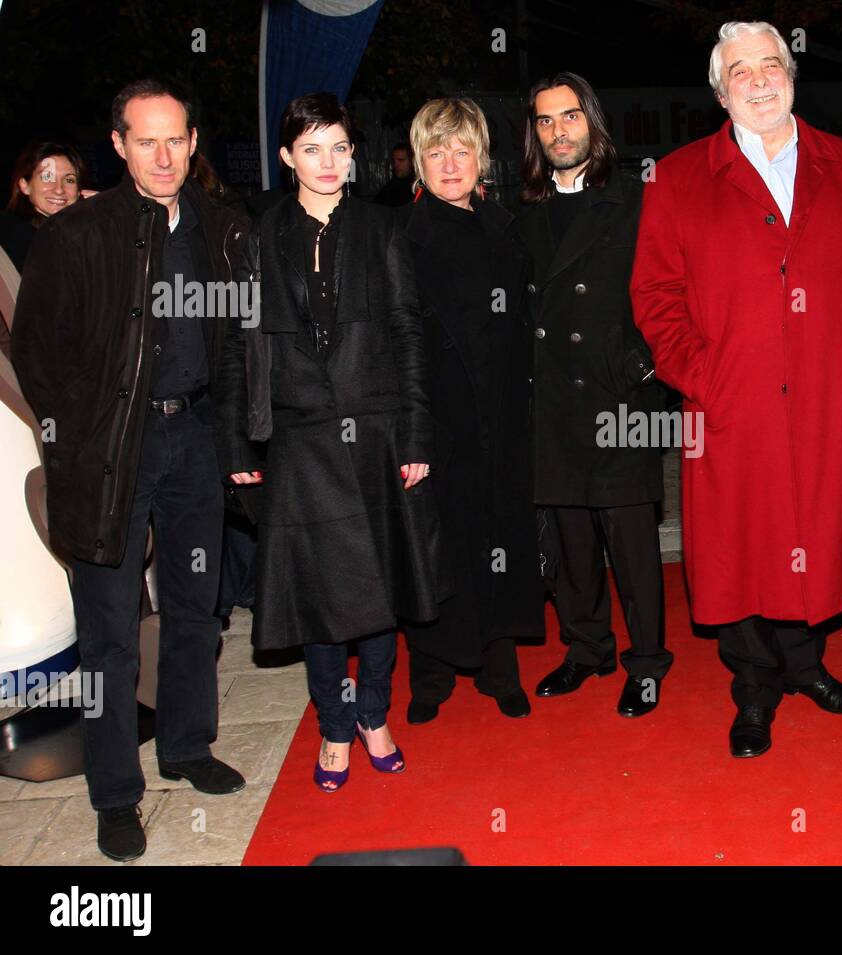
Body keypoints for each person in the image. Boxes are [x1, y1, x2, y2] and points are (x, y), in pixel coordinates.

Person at [631, 21, 842, 757]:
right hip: (732, 400)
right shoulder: (680, 176)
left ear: (791, 75)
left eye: (771, 65)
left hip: (827, 396)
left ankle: (809, 668)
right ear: (721, 93)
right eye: (741, 71)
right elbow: (654, 294)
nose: (759, 80)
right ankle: (753, 688)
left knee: (813, 532)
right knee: (742, 543)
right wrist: (701, 373)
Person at [11, 80, 249, 861]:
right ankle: (116, 792)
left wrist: (233, 441)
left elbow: (237, 345)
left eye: (175, 138)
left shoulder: (219, 228)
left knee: (193, 612)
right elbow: (40, 358)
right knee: (108, 634)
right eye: (145, 140)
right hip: (112, 455)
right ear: (117, 145)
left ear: (192, 141)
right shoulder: (77, 234)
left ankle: (185, 746)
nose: (163, 155)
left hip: (196, 444)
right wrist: (87, 438)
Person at [216, 92, 444, 791]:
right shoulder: (257, 236)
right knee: (318, 598)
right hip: (299, 438)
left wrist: (415, 433)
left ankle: (374, 711)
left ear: (354, 154)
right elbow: (240, 346)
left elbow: (408, 333)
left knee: (378, 589)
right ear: (286, 158)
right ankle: (335, 724)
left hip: (375, 431)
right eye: (311, 148)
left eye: (339, 147)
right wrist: (238, 449)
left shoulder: (384, 229)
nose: (327, 161)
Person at [516, 72, 673, 717]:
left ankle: (647, 662)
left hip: (623, 399)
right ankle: (587, 649)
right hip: (552, 401)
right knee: (572, 540)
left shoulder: (639, 200)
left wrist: (648, 374)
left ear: (594, 122)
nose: (559, 131)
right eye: (547, 121)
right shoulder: (521, 213)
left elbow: (671, 294)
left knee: (632, 542)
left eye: (571, 117)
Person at [399, 97, 543, 722]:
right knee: (438, 547)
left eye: (462, 151)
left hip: (503, 419)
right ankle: (430, 674)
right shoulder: (400, 238)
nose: (450, 163)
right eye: (437, 151)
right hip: (437, 422)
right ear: (418, 161)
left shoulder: (503, 229)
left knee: (501, 537)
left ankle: (498, 666)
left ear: (481, 158)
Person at [1, 140, 87, 273]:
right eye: (47, 177)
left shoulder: (78, 232)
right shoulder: (16, 237)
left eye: (69, 180)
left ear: (79, 190)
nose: (59, 189)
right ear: (25, 186)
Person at [372, 142, 416, 207]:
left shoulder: (419, 188)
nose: (395, 165)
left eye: (401, 160)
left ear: (412, 161)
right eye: (393, 160)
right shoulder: (390, 188)